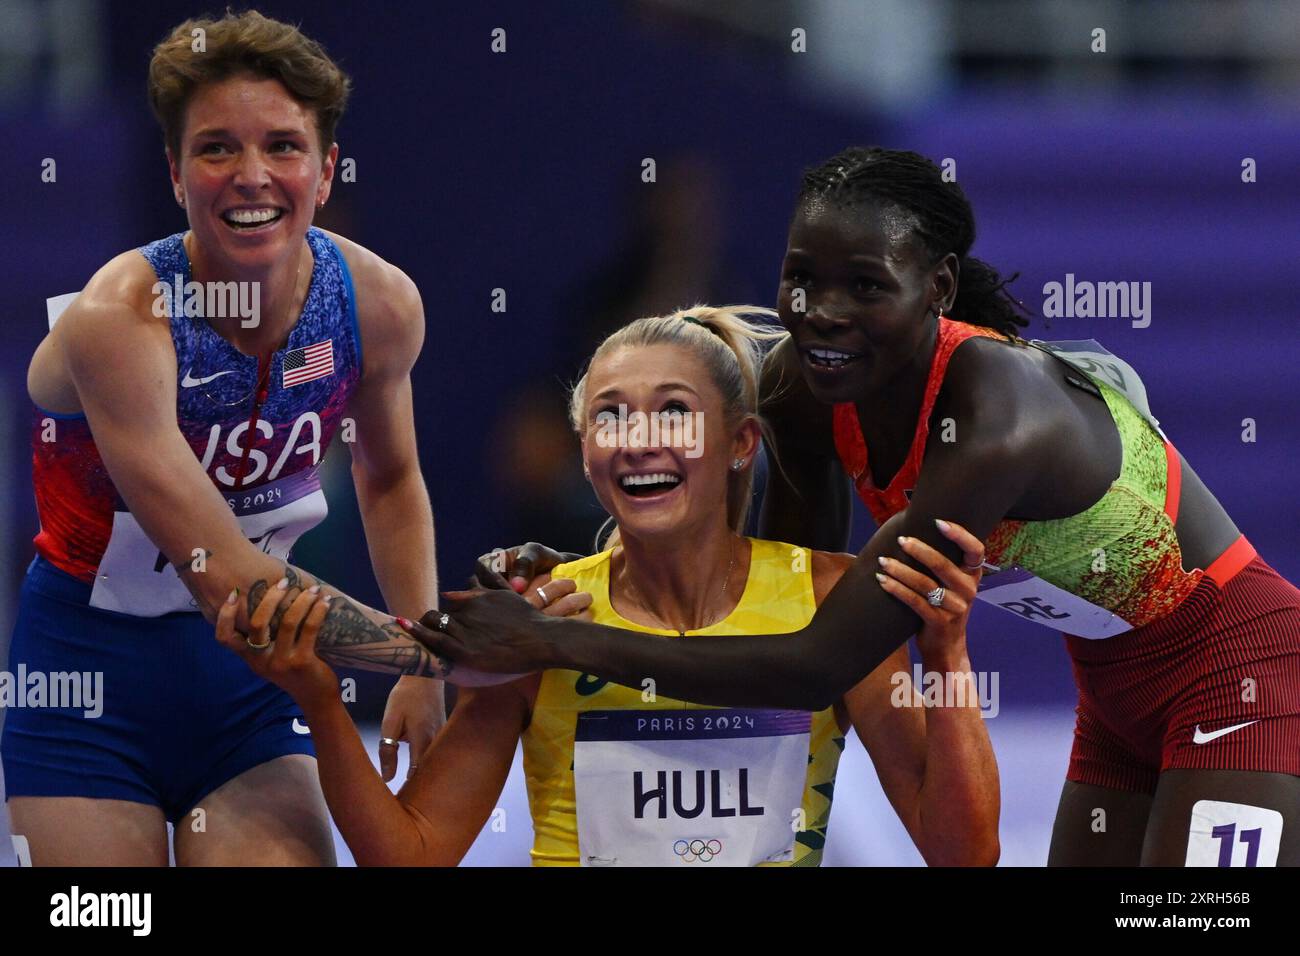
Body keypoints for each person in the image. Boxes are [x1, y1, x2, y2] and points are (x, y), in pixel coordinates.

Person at [416, 148, 1300, 867]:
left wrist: (553, 641)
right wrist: (565, 580)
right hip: (1112, 692)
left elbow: (811, 664)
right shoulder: (806, 391)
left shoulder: (999, 416)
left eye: (866, 287)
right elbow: (776, 599)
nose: (823, 315)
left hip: (1243, 666)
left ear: (939, 290)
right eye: (803, 280)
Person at [219, 306, 1000, 866]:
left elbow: (964, 854)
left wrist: (950, 656)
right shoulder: (539, 615)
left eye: (673, 412)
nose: (639, 441)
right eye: (611, 417)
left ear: (740, 444)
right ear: (585, 450)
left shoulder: (830, 603)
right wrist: (321, 701)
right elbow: (410, 853)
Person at [2, 10, 452, 866]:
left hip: (250, 685)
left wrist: (427, 654)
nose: (252, 177)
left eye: (283, 147)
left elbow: (390, 479)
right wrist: (430, 654)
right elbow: (229, 582)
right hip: (83, 682)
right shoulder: (121, 317)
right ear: (174, 174)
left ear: (325, 174)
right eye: (216, 149)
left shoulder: (379, 305)